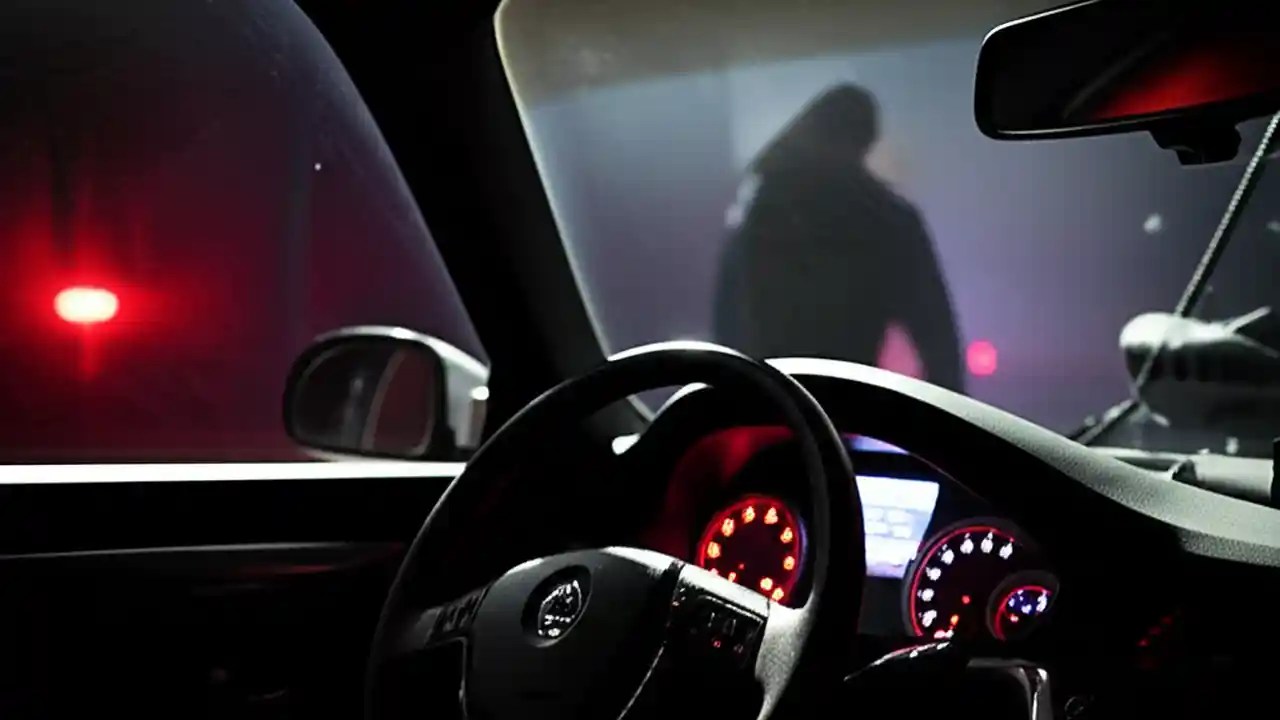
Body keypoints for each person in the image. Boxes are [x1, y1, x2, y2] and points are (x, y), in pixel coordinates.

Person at [713, 83, 965, 391]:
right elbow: (936, 333)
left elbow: (726, 322)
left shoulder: (759, 214)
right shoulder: (887, 218)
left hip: (766, 407)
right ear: (863, 140)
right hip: (844, 406)